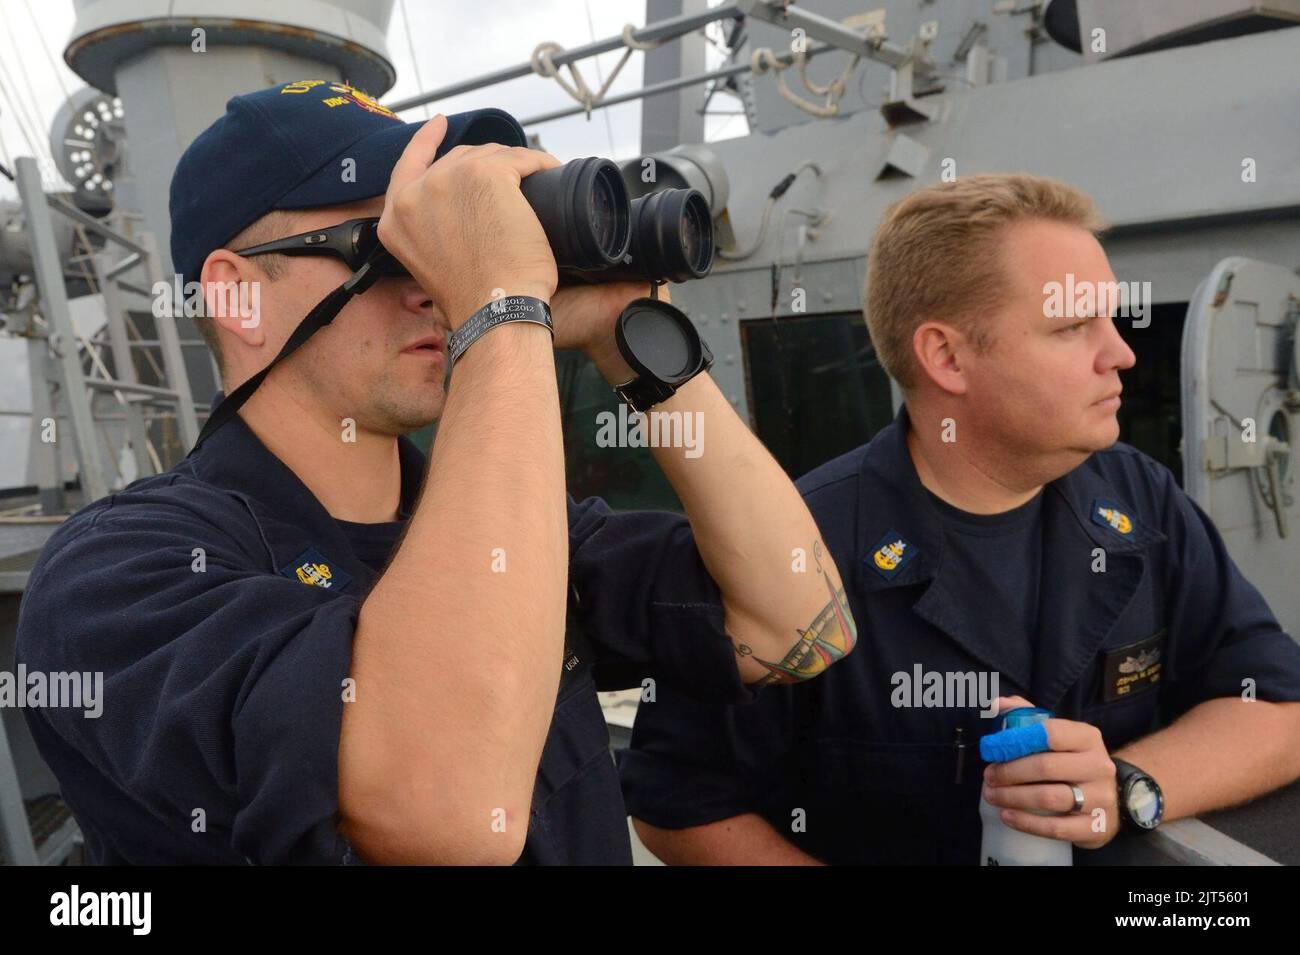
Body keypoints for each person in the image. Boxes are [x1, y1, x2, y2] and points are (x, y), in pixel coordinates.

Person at [15, 80, 855, 865]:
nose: (432, 291)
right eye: (387, 247)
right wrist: (499, 307)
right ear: (237, 298)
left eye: (439, 250)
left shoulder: (520, 529)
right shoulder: (116, 575)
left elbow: (796, 622)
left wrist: (629, 336)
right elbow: (444, 807)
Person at [619, 173, 1300, 865]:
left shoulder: (1140, 498)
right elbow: (678, 803)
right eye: (1072, 326)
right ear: (947, 357)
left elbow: (1278, 707)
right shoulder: (796, 548)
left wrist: (1125, 786)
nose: (1120, 353)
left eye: (1112, 318)